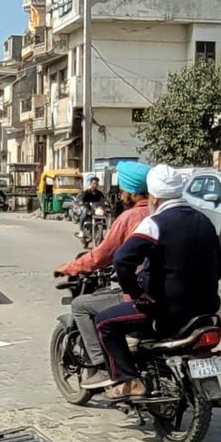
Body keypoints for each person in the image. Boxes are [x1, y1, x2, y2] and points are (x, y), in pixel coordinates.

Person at [95, 164, 221, 402]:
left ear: (154, 197)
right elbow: (220, 268)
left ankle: (128, 380)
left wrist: (136, 293)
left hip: (165, 313)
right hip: (206, 310)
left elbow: (122, 260)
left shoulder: (154, 223)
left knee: (104, 323)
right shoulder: (205, 221)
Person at [54, 161, 151, 389]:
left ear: (132, 191)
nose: (120, 193)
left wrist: (70, 268)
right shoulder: (161, 215)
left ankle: (100, 366)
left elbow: (102, 256)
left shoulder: (130, 218)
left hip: (139, 292)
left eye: (123, 188)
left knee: (81, 305)